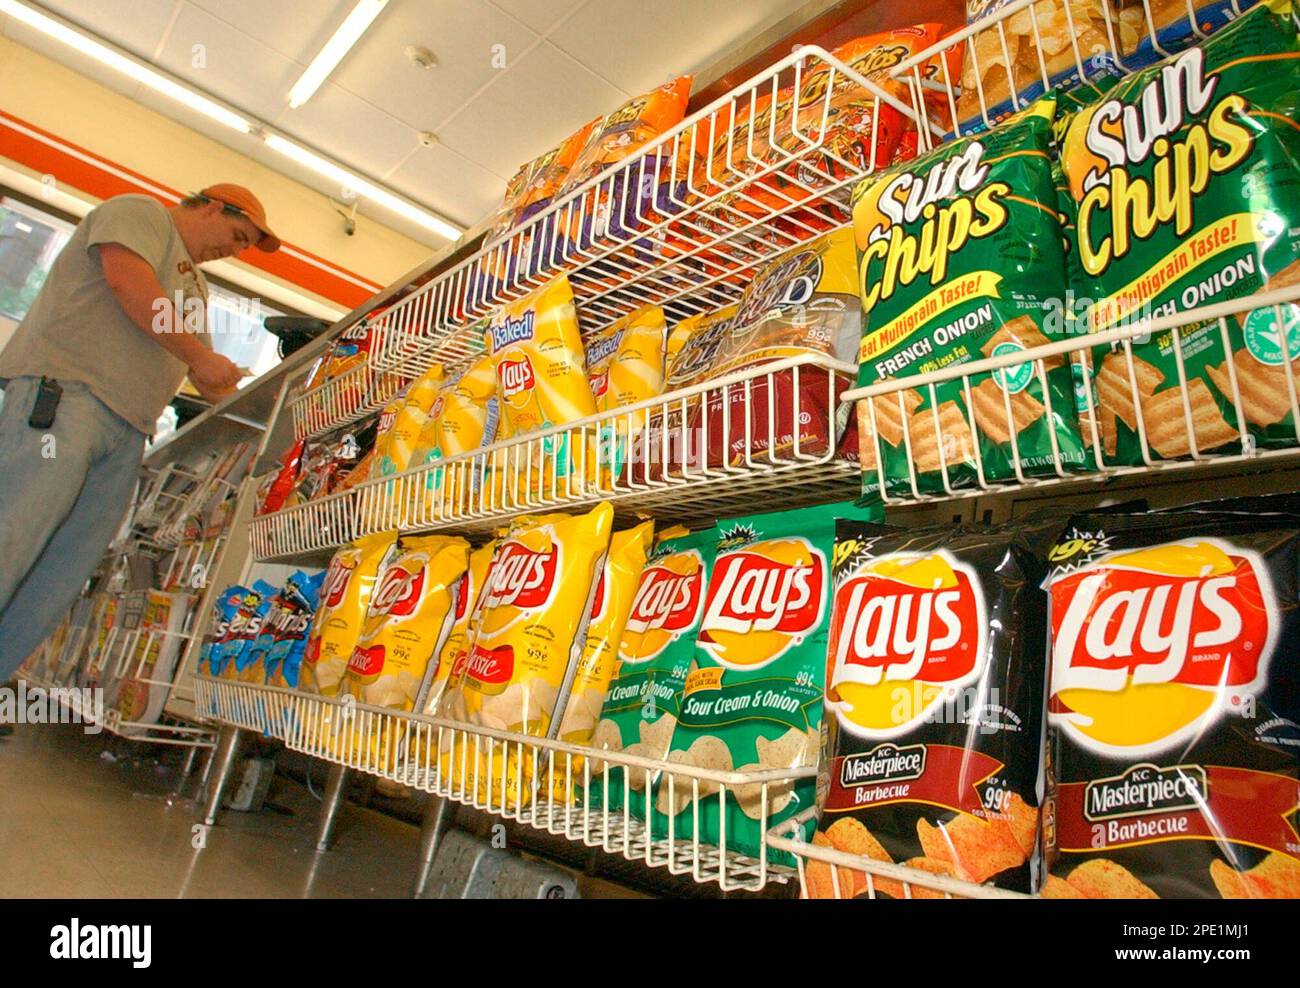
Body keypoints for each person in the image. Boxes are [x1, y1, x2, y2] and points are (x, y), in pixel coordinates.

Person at [0, 184, 281, 683]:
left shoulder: (195, 287)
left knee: (60, 571)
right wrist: (200, 356)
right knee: (13, 534)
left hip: (128, 431)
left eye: (242, 248)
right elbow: (127, 282)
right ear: (213, 205)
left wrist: (272, 402)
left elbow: (203, 375)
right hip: (68, 399)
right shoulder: (140, 213)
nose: (234, 252)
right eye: (237, 236)